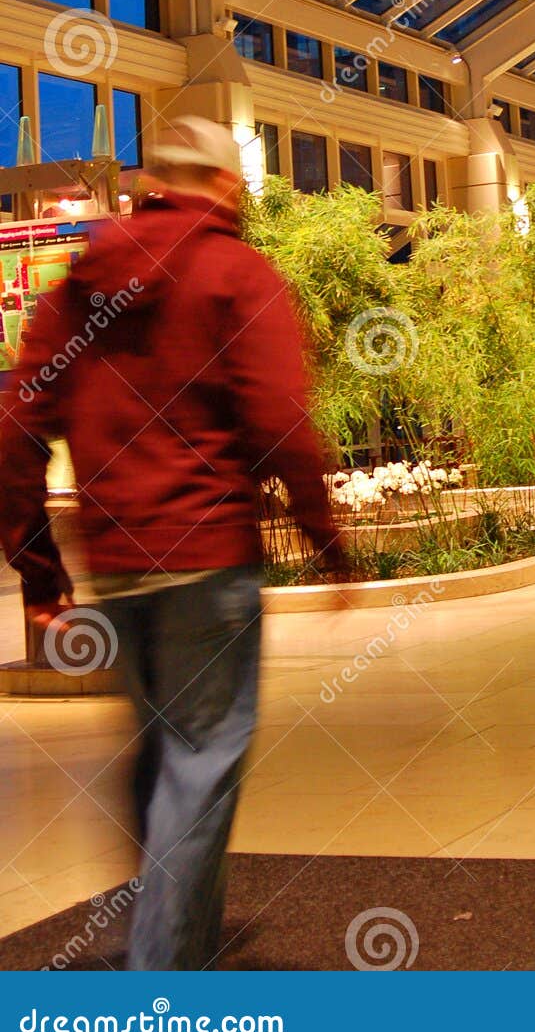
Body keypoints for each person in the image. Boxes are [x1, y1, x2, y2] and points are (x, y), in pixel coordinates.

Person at [0, 117, 345, 969]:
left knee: (159, 757)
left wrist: (40, 570)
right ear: (227, 186)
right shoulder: (236, 272)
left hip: (118, 561)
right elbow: (281, 422)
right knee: (199, 764)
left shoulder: (82, 281)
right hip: (207, 557)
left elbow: (13, 427)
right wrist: (324, 536)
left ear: (155, 179)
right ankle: (163, 985)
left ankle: (167, 943)